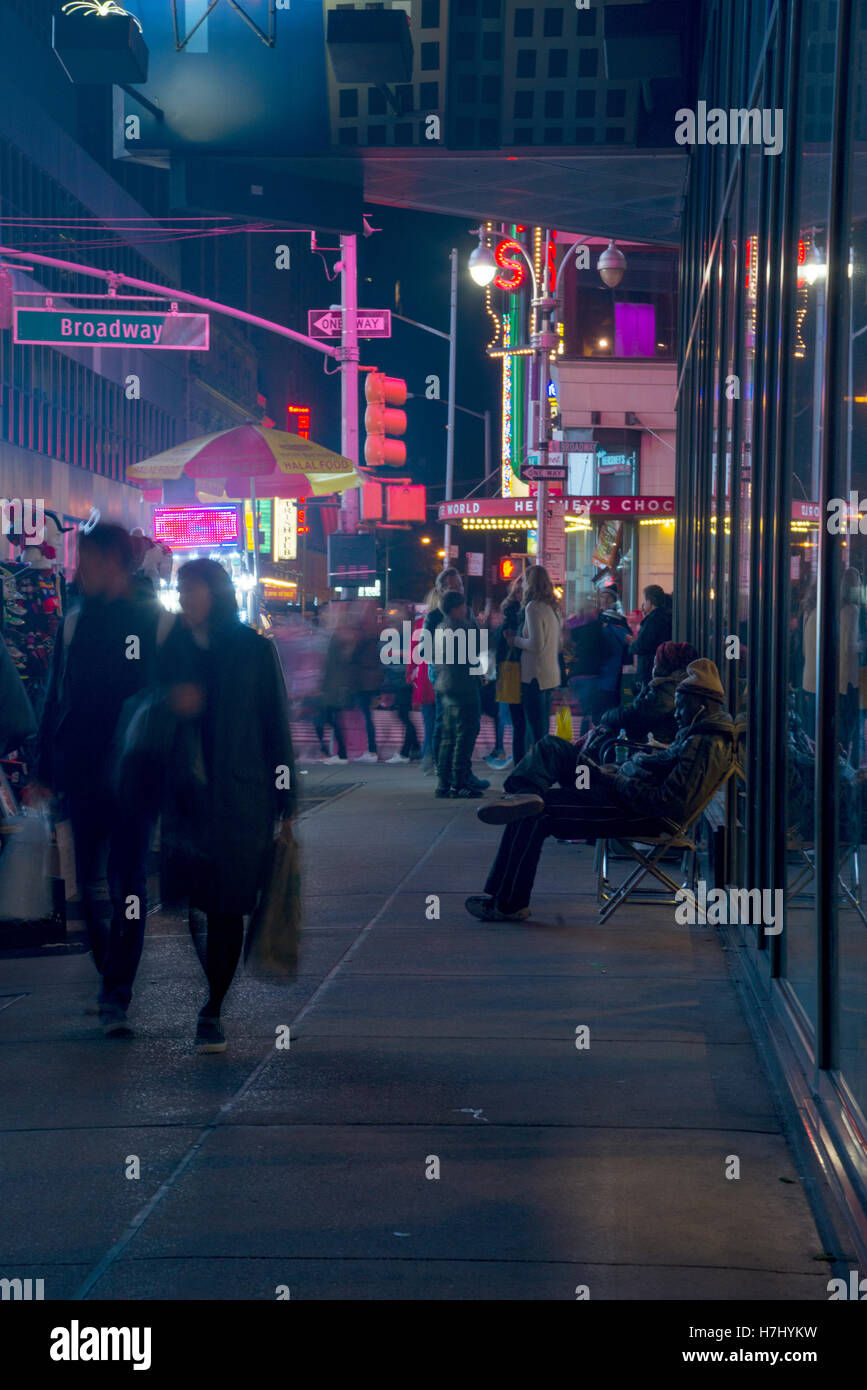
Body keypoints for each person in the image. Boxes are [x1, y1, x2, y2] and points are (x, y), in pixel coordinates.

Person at [465, 659, 735, 921]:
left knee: (535, 813)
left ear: (701, 704)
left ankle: (509, 903)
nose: (676, 714)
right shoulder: (697, 734)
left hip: (632, 811)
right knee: (553, 748)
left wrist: (619, 781)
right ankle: (523, 793)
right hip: (615, 792)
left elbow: (671, 804)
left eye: (681, 706)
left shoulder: (705, 744)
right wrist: (618, 771)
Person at [157, 558, 295, 1052]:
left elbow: (274, 724)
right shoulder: (171, 648)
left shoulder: (253, 649)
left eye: (191, 589)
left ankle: (212, 1007)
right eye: (179, 589)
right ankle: (213, 996)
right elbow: (148, 712)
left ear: (214, 592)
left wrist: (287, 800)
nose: (184, 598)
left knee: (227, 906)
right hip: (187, 800)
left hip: (241, 798)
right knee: (196, 901)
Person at [35, 523, 166, 1036]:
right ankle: (110, 973)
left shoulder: (150, 620)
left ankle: (117, 990)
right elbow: (55, 694)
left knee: (128, 882)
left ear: (113, 562)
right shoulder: (74, 620)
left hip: (133, 775)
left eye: (86, 560)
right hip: (84, 772)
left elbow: (163, 695)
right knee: (85, 884)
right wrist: (45, 766)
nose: (79, 570)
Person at [425, 569, 488, 790]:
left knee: (465, 728)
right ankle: (451, 775)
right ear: (441, 590)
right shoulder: (435, 617)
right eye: (452, 586)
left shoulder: (466, 612)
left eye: (459, 585)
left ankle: (457, 775)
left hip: (462, 678)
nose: (457, 590)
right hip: (449, 679)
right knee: (448, 727)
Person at [586, 639, 699, 756]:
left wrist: (606, 716)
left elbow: (634, 716)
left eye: (656, 662)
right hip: (655, 740)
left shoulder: (667, 690)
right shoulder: (671, 685)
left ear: (666, 665)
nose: (654, 665)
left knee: (602, 740)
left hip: (653, 745)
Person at [434, 590, 484, 799]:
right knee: (465, 737)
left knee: (448, 738)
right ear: (456, 608)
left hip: (446, 688)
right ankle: (459, 783)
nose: (466, 609)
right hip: (464, 688)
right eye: (463, 606)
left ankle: (443, 784)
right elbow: (474, 657)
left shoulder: (440, 627)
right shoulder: (463, 628)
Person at [507, 564, 562, 751]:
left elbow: (536, 644)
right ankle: (544, 770)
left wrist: (515, 640)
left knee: (536, 731)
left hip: (534, 677)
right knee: (543, 729)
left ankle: (538, 772)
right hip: (549, 676)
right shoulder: (553, 608)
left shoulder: (533, 607)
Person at [494, 574, 526, 768]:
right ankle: (518, 760)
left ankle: (518, 759)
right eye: (519, 589)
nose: (522, 592)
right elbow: (504, 643)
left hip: (519, 668)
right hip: (513, 669)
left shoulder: (523, 610)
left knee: (519, 721)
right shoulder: (511, 612)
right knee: (517, 721)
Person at [352, 600, 383, 764]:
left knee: (365, 716)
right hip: (373, 679)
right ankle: (371, 749)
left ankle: (371, 750)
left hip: (363, 680)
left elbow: (354, 656)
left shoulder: (363, 633)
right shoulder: (378, 631)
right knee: (367, 716)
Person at [408, 600, 436, 774]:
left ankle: (428, 756)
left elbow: (413, 652)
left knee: (429, 723)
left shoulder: (420, 623)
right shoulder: (446, 622)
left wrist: (411, 674)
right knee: (441, 723)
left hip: (426, 679)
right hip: (441, 678)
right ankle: (436, 759)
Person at [596, 585, 632, 716]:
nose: (604, 601)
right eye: (602, 597)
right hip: (606, 668)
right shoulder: (598, 618)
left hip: (614, 668)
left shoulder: (618, 620)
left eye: (608, 598)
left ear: (614, 600)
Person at [629, 585, 673, 689]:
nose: (643, 604)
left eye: (644, 600)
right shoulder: (665, 616)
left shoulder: (653, 620)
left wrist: (632, 644)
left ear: (649, 601)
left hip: (649, 669)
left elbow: (642, 645)